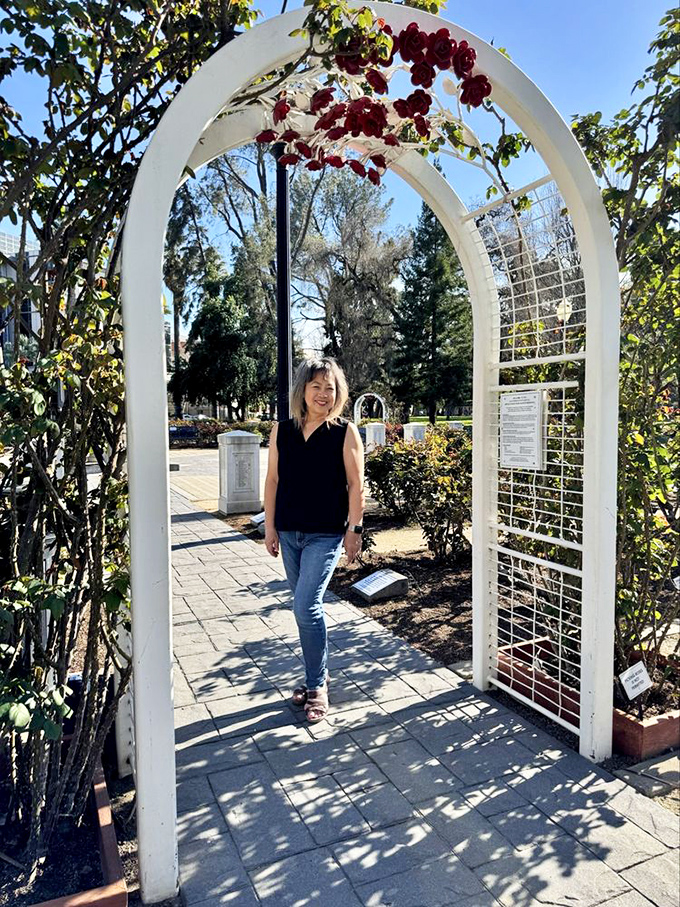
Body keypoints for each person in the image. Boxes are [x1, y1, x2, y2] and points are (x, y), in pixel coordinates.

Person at [264, 357, 365, 723]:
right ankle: (314, 676)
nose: (323, 394)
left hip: (325, 533)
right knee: (304, 609)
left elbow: (356, 484)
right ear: (302, 390)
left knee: (306, 606)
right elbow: (273, 480)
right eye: (316, 386)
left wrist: (354, 529)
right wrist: (270, 526)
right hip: (289, 532)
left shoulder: (344, 432)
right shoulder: (283, 431)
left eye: (330, 388)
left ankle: (317, 686)